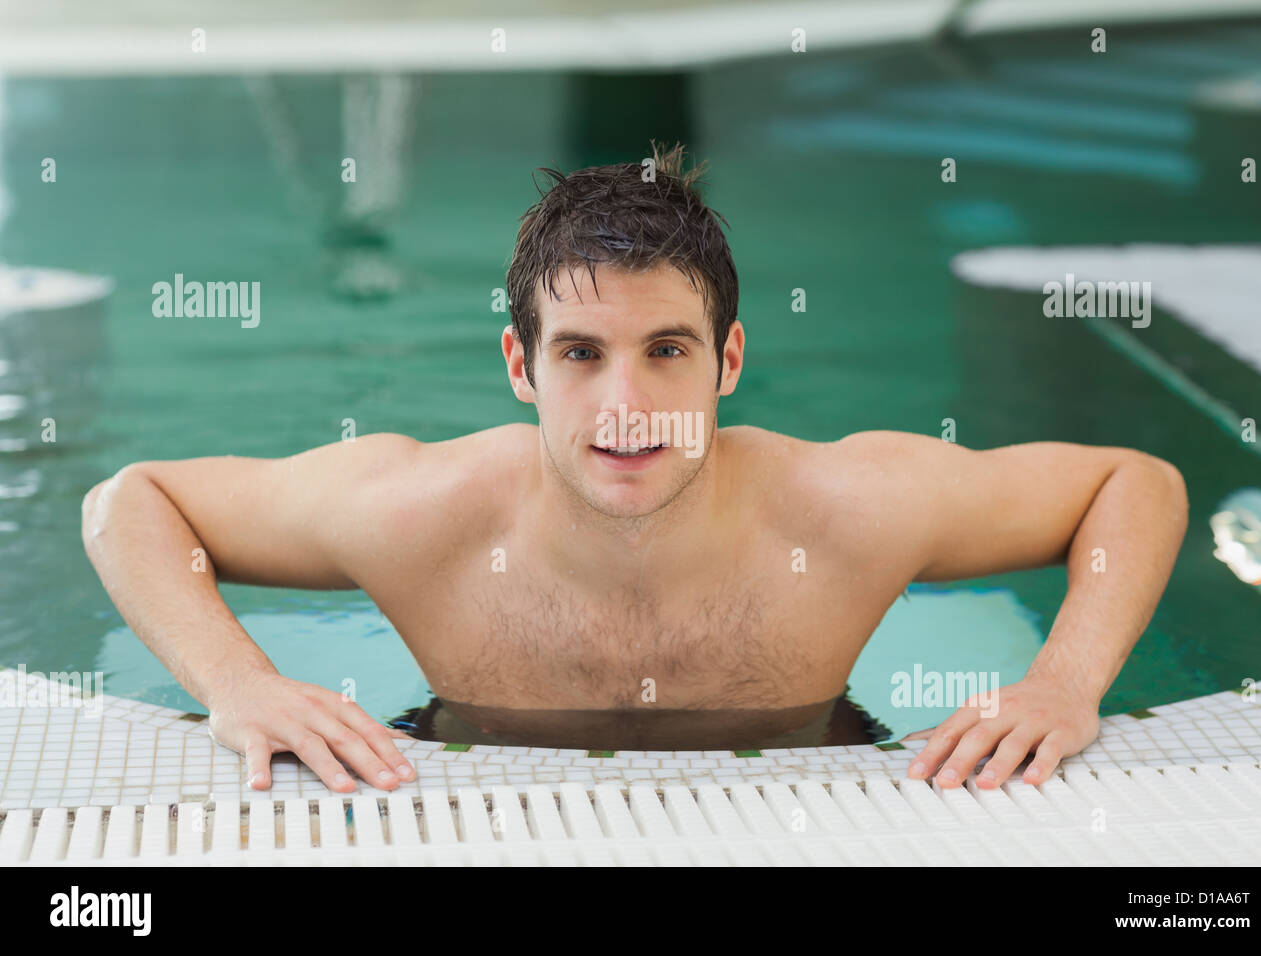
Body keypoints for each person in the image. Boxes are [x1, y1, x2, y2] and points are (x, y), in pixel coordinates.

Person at [81, 141, 1188, 795]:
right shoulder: (420, 510)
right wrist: (240, 684)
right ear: (520, 364)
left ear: (730, 359)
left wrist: (1065, 682)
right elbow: (130, 501)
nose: (626, 410)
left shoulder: (845, 505)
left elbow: (1132, 483)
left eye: (667, 351)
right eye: (580, 354)